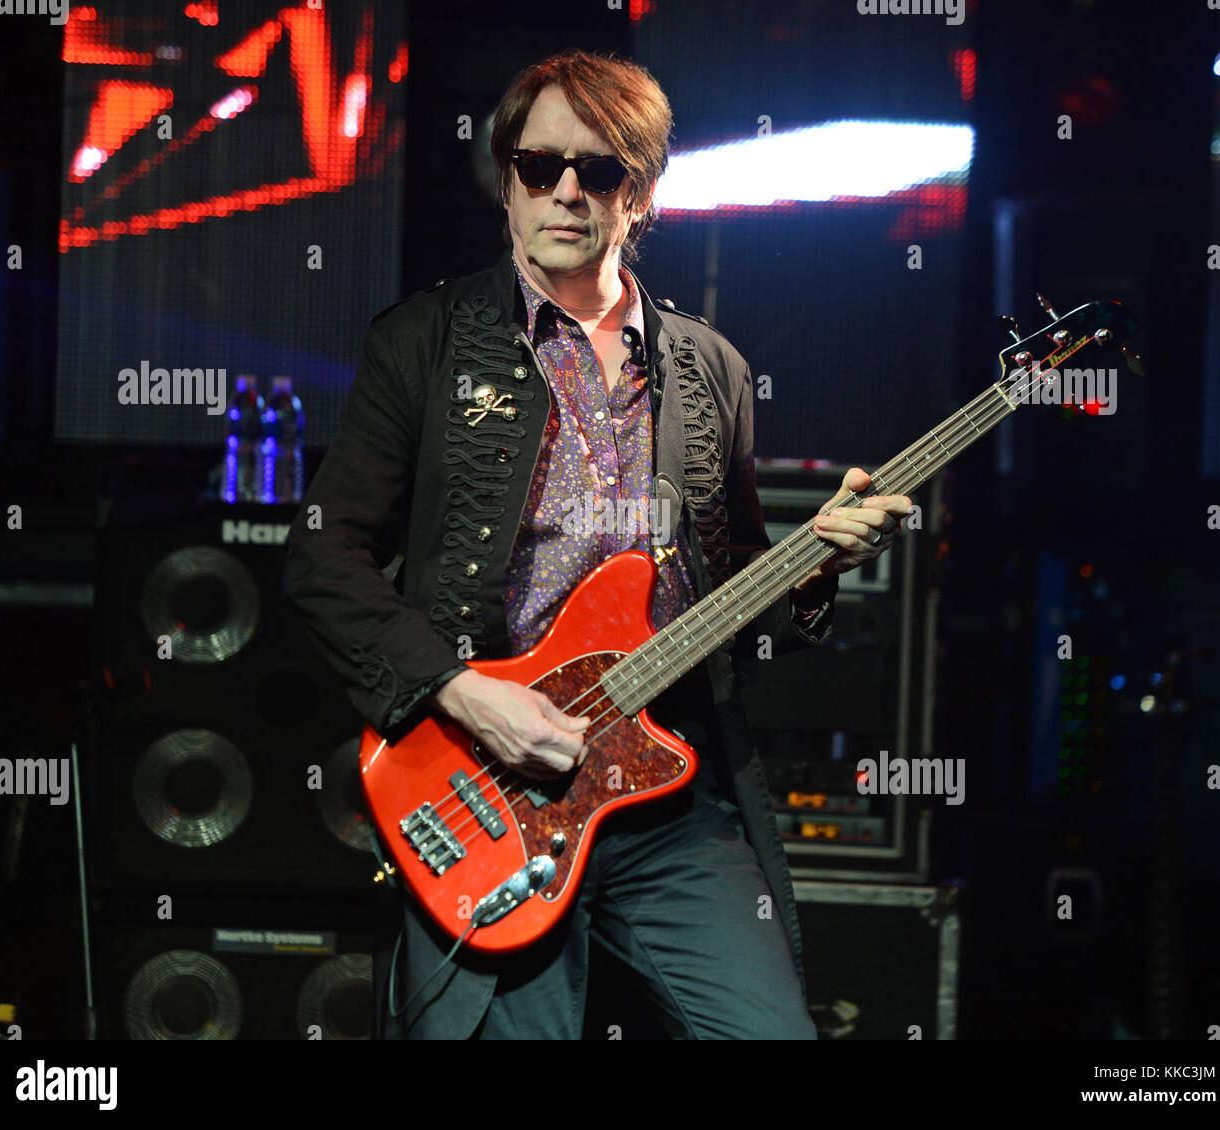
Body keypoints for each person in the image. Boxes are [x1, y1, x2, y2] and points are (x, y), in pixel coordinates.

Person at [283, 47, 910, 1039]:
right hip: (491, 776)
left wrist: (820, 560)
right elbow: (322, 555)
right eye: (540, 167)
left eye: (601, 170)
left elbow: (739, 605)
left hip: (664, 788)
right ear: (506, 181)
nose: (567, 192)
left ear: (643, 191)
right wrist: (462, 691)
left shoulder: (712, 370)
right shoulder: (425, 342)